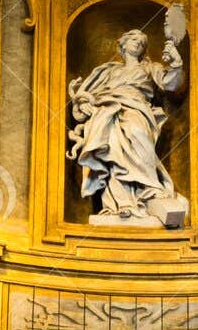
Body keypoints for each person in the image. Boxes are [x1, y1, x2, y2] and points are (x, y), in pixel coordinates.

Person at [67, 29, 188, 226]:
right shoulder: (108, 71)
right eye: (133, 39)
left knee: (138, 136)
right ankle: (121, 205)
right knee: (112, 154)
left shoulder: (150, 68)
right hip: (106, 112)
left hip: (137, 109)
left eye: (141, 42)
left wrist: (176, 63)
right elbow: (84, 98)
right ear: (121, 45)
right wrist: (84, 104)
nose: (138, 43)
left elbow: (171, 83)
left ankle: (150, 190)